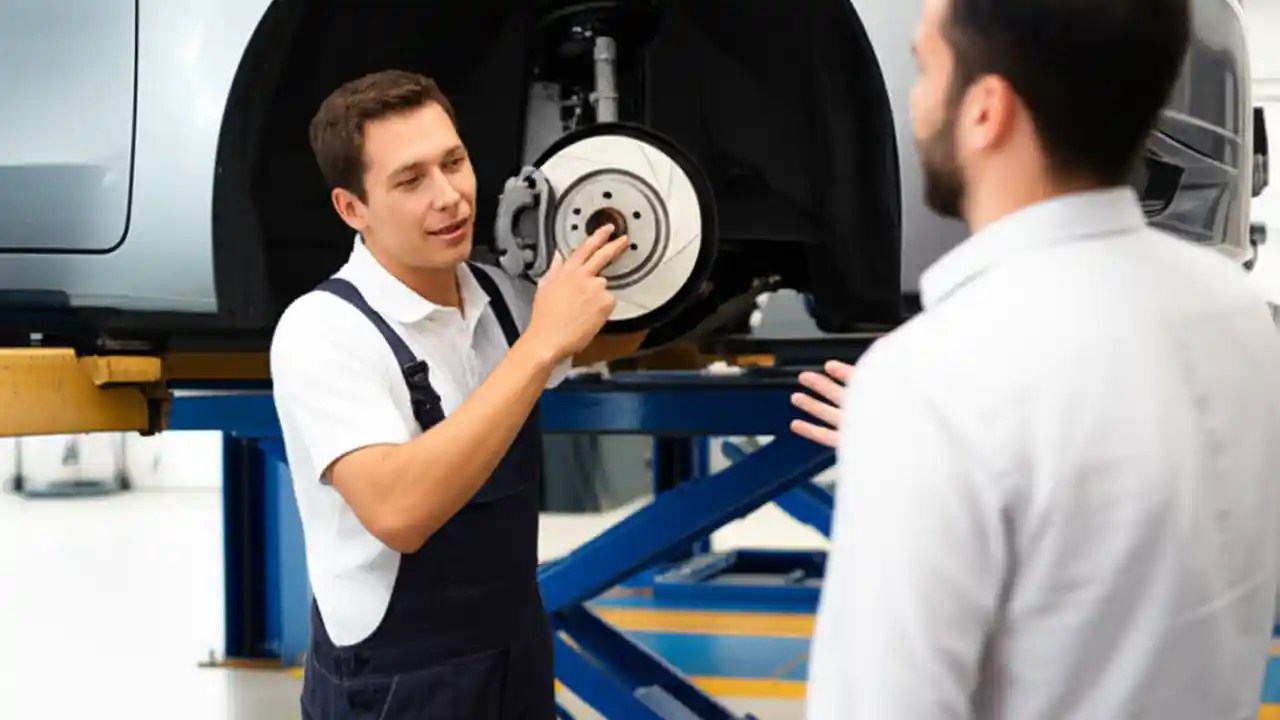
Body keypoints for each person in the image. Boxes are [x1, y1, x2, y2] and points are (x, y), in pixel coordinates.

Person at [791, 0, 1280, 718]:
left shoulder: (933, 380)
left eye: (924, 68)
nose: (915, 101)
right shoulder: (1237, 318)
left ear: (986, 111)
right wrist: (944, 465)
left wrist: (921, 441)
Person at [269, 70, 644, 719]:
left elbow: (614, 329)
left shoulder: (501, 296)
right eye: (411, 181)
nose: (450, 197)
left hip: (513, 657)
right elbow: (399, 510)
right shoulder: (323, 330)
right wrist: (540, 345)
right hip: (396, 687)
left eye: (455, 162)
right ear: (351, 208)